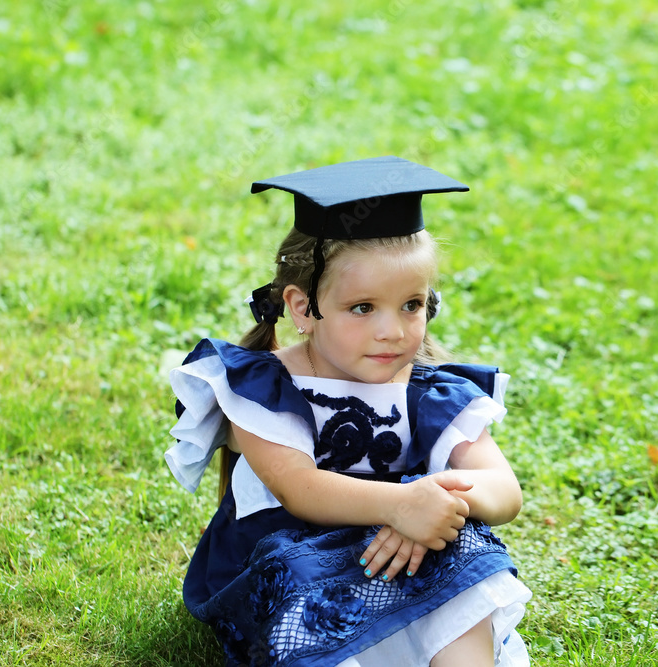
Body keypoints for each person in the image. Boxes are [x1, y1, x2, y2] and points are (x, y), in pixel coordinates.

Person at [166, 156, 531, 666]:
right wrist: (400, 506)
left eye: (412, 305)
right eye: (363, 308)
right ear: (302, 308)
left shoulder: (430, 394)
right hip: (292, 553)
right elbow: (302, 490)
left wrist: (434, 505)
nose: (393, 330)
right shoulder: (267, 386)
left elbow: (504, 491)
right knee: (299, 584)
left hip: (397, 548)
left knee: (463, 547)